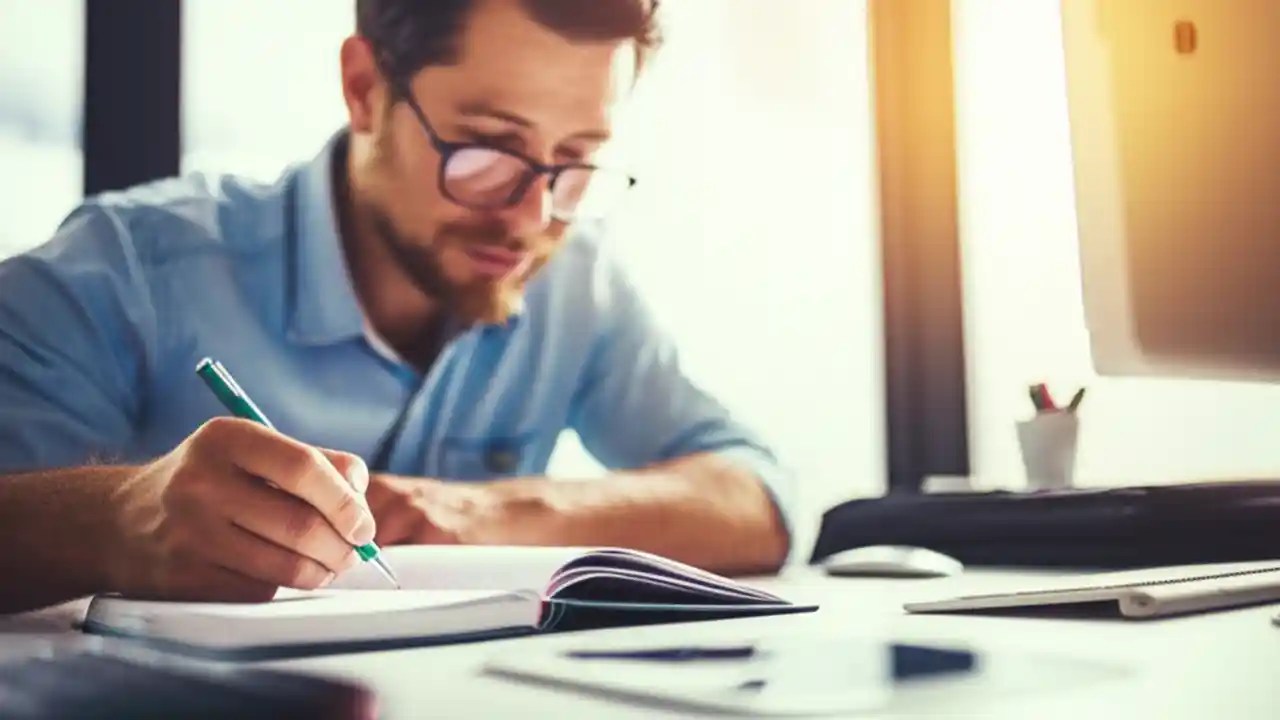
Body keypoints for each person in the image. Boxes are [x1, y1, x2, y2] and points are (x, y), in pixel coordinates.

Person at [0, 0, 792, 614]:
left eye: (576, 162)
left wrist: (486, 515)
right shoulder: (127, 269)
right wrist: (122, 517)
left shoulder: (573, 279)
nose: (529, 217)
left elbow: (756, 495)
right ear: (366, 89)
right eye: (486, 151)